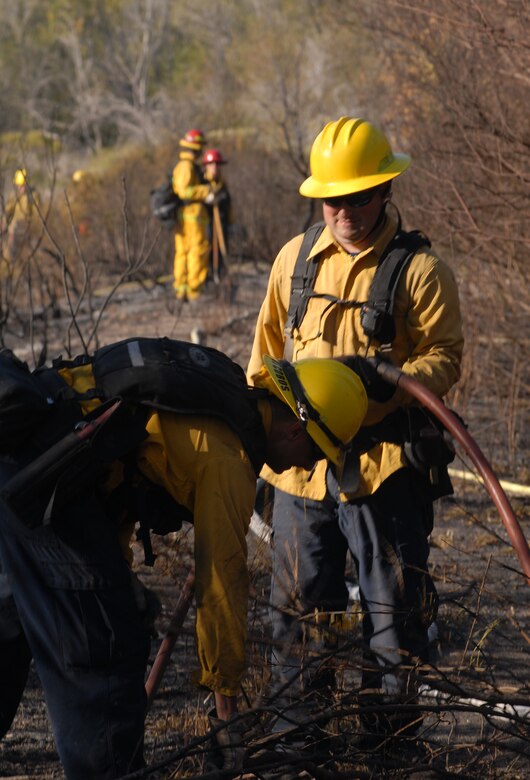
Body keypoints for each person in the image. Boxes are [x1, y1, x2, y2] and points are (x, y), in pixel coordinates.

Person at [0, 336, 368, 778]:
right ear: (295, 430)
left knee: (10, 621)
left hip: (26, 461)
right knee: (105, 646)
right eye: (315, 455)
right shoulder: (229, 460)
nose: (306, 469)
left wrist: (116, 570)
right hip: (38, 488)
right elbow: (222, 587)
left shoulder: (220, 389)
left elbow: (111, 460)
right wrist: (225, 709)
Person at [247, 116, 464, 746]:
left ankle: (387, 746)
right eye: (332, 197)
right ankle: (299, 743)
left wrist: (385, 382)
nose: (345, 210)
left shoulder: (419, 270)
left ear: (385, 191)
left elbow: (444, 358)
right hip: (299, 474)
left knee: (395, 624)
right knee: (295, 620)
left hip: (384, 471)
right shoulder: (294, 260)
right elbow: (263, 356)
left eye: (359, 196)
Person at [172, 129, 223, 301]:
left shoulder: (188, 166)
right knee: (196, 251)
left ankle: (182, 290)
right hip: (192, 217)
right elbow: (183, 191)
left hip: (186, 217)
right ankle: (193, 291)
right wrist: (205, 191)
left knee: (183, 253)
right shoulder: (186, 167)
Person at [202, 148, 233, 281]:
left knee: (222, 247)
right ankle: (209, 274)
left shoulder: (222, 182)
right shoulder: (203, 182)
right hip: (207, 222)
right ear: (207, 166)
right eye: (211, 164)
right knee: (207, 248)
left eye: (216, 164)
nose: (214, 167)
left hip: (222, 221)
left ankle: (220, 274)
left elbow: (228, 202)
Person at [3, 168, 36, 263]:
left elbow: (37, 216)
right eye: (19, 185)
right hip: (14, 228)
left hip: (27, 227)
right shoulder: (14, 196)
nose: (21, 187)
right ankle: (9, 261)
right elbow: (7, 210)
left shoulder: (33, 196)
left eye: (23, 185)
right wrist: (4, 222)